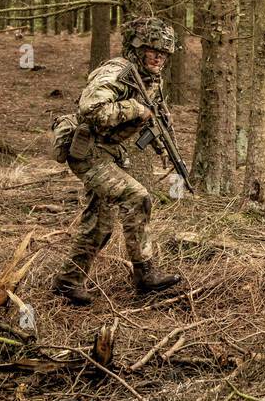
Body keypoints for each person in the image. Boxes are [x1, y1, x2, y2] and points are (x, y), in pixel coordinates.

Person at [52, 17, 183, 305]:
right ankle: (144, 273)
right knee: (138, 196)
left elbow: (155, 114)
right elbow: (90, 108)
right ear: (137, 47)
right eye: (153, 50)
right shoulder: (116, 71)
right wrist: (135, 108)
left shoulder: (149, 79)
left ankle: (67, 283)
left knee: (99, 224)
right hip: (87, 151)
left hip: (109, 151)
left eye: (164, 53)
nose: (159, 57)